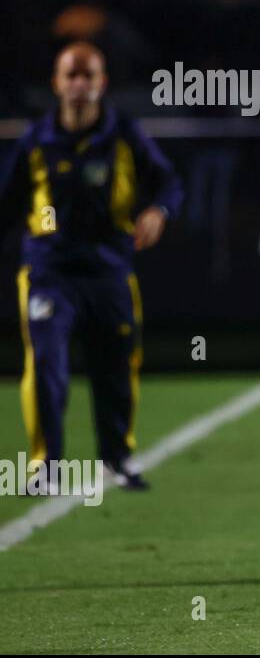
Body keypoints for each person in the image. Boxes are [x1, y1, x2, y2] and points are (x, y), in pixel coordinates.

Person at [0, 42, 181, 491]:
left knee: (116, 366)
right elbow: (6, 205)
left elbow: (168, 182)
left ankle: (117, 460)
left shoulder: (124, 135)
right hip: (50, 273)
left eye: (89, 76)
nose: (80, 85)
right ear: (56, 84)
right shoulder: (36, 141)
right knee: (46, 364)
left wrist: (159, 210)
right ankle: (46, 467)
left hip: (109, 271)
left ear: (103, 83)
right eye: (71, 76)